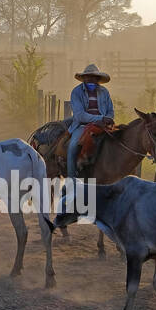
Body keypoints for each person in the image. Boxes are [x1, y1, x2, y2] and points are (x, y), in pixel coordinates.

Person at [57, 64, 115, 223]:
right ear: (84, 79)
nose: (91, 80)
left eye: (94, 78)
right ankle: (71, 178)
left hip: (103, 125)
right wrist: (99, 119)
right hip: (81, 126)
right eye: (88, 78)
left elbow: (110, 111)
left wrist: (108, 119)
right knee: (74, 145)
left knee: (118, 142)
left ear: (98, 80)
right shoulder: (77, 92)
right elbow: (80, 115)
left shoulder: (104, 92)